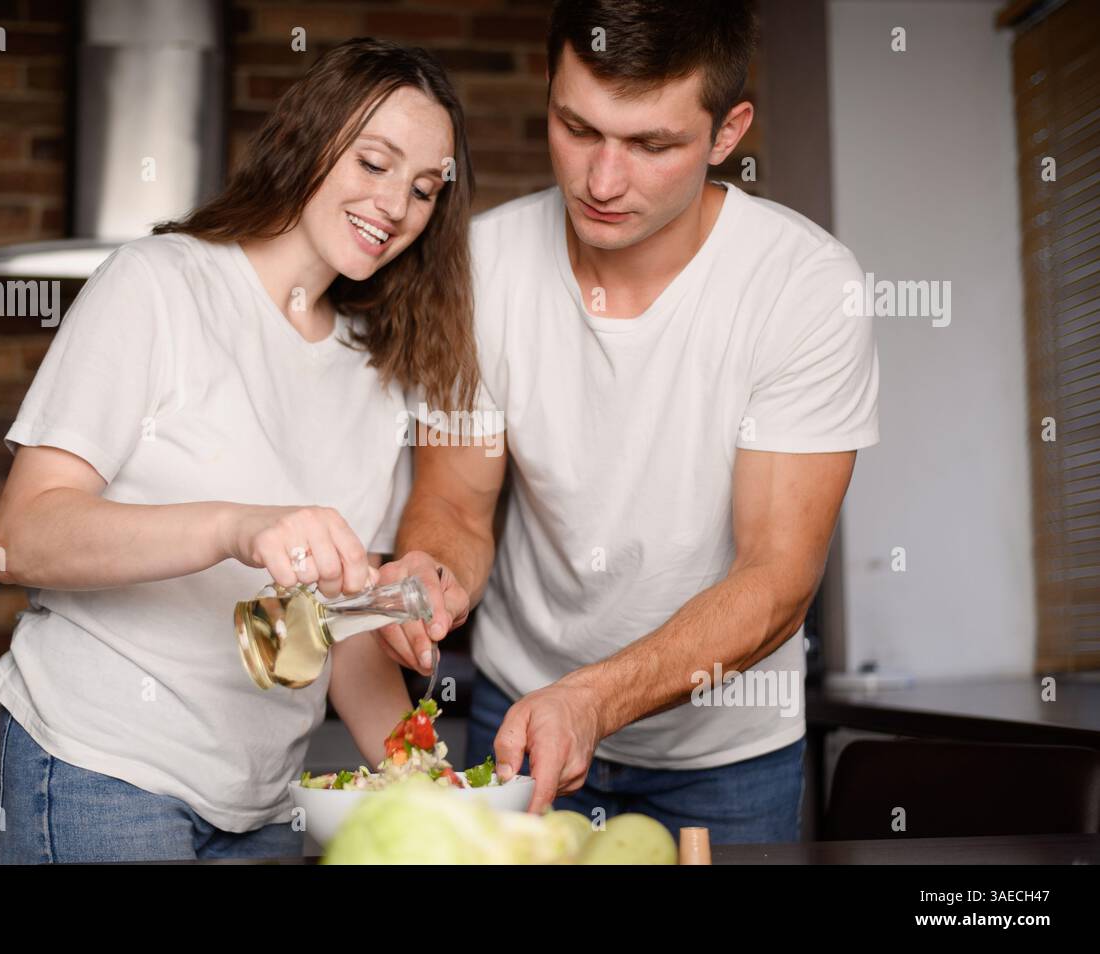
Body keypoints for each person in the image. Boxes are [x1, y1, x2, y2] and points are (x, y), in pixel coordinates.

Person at [376, 0, 880, 844]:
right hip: (519, 720)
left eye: (652, 145)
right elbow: (457, 507)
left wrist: (593, 699)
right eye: (578, 128)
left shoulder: (806, 288)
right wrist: (426, 575)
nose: (601, 182)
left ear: (727, 133)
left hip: (727, 754)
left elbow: (777, 580)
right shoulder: (478, 267)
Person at [0, 38, 479, 863]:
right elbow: (21, 537)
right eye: (375, 162)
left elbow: (340, 631)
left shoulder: (376, 372)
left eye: (425, 189)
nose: (396, 204)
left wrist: (428, 785)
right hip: (104, 768)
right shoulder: (160, 285)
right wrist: (233, 527)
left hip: (263, 803)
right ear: (311, 139)